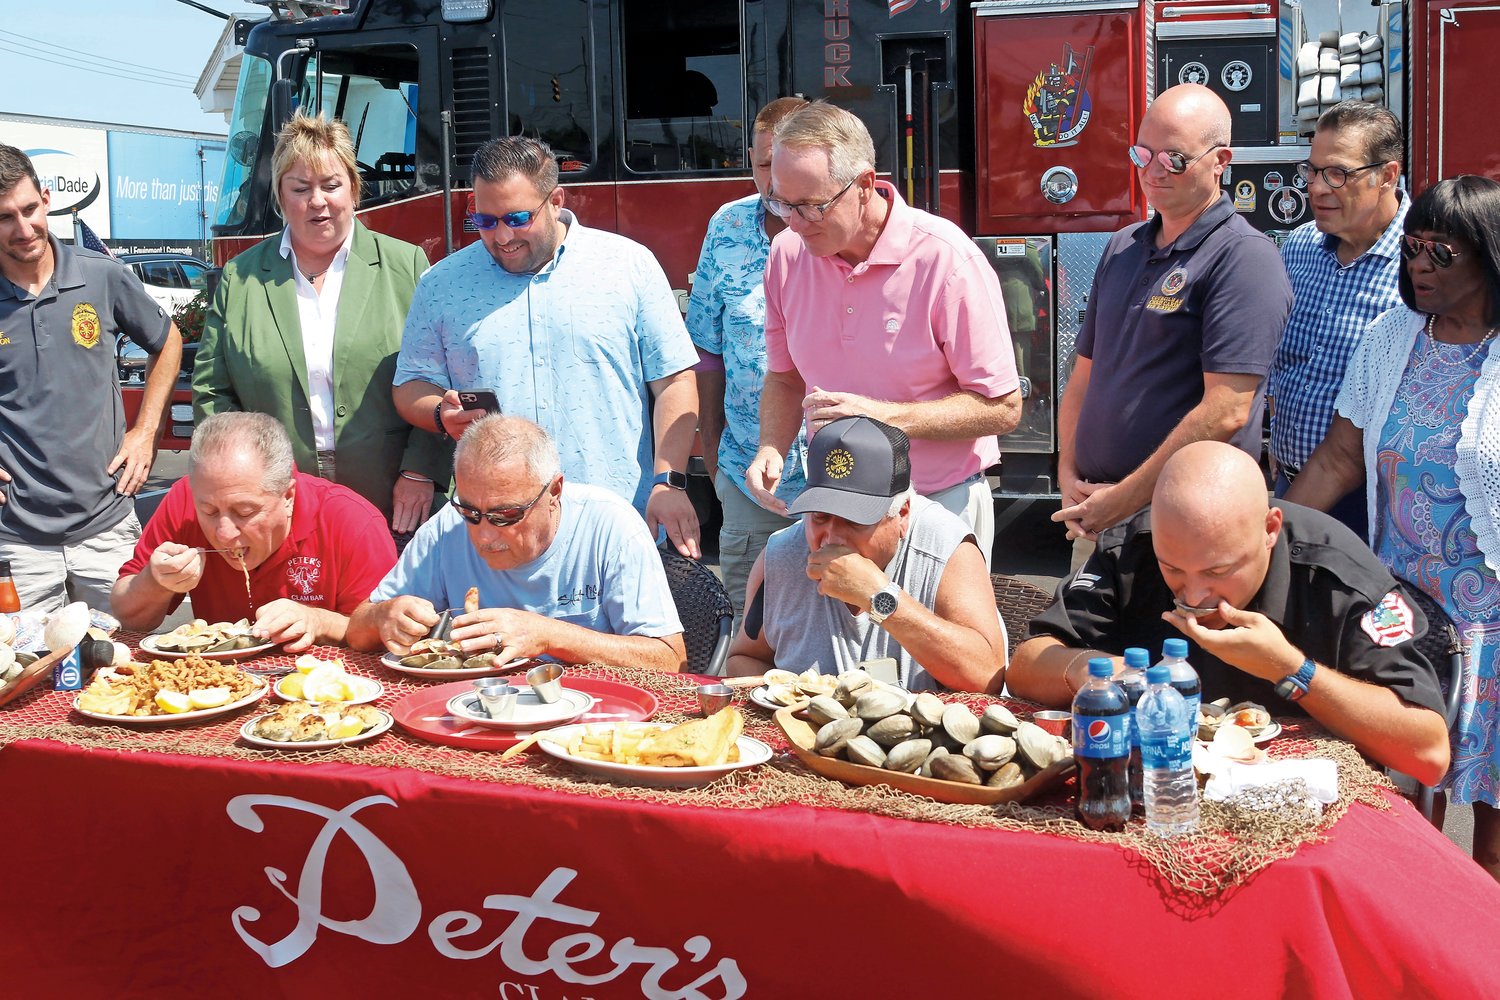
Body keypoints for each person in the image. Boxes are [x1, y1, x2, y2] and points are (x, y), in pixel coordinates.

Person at [1284, 176, 1500, 878]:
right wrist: (1267, 532)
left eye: (1442, 252)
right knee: (1398, 814)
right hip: (1403, 617)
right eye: (1413, 249)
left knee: (1493, 840)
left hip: (1493, 626)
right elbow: (1342, 456)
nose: (1419, 266)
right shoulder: (1392, 338)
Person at [1014, 441, 1449, 784]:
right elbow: (1025, 665)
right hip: (1160, 792)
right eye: (1173, 569)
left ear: (1270, 530)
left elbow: (1428, 754)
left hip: (1308, 807)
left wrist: (1290, 669)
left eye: (1218, 570)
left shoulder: (1336, 576)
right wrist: (1109, 673)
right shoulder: (1133, 548)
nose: (1196, 593)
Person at [391, 136, 703, 558]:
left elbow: (674, 381)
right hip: (497, 530)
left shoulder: (628, 266)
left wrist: (669, 481)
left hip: (616, 527)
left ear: (555, 200)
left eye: (517, 218)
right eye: (484, 220)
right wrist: (438, 413)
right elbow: (410, 385)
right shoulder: (441, 285)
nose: (502, 236)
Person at [745, 100, 1021, 564]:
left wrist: (881, 416)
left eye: (811, 206)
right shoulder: (787, 254)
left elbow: (1003, 407)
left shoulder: (946, 258)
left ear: (865, 185)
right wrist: (770, 446)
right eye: (781, 203)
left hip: (936, 504)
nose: (793, 222)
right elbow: (786, 378)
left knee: (933, 638)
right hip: (832, 504)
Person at [1053, 84, 1291, 561]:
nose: (1153, 170)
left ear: (1221, 160)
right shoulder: (1123, 245)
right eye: (1143, 153)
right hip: (1097, 515)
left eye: (1174, 159)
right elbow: (1085, 373)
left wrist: (1123, 499)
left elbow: (1226, 411)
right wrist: (1067, 472)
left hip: (1185, 527)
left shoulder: (1243, 258)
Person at [193, 112, 448, 543]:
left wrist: (421, 470)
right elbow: (213, 393)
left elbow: (441, 378)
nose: (318, 201)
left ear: (353, 188)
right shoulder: (241, 278)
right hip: (280, 505)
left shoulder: (407, 267)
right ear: (279, 195)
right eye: (300, 188)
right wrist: (239, 485)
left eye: (331, 185)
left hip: (394, 501)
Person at [347, 414, 686, 672]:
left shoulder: (610, 526)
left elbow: (670, 659)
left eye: (505, 515)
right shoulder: (444, 529)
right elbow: (357, 630)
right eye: (470, 511)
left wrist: (549, 636)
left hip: (591, 718)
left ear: (554, 492)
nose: (484, 535)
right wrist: (384, 617)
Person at [0, 143, 183, 613]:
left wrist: (145, 432)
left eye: (28, 209)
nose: (24, 229)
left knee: (126, 665)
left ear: (45, 199)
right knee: (29, 677)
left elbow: (168, 342)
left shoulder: (102, 276)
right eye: (4, 219)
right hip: (16, 541)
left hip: (107, 526)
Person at [727, 416, 1006, 693]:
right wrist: (787, 698)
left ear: (903, 515)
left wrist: (880, 597)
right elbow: (745, 658)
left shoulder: (946, 547)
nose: (832, 537)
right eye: (820, 516)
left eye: (855, 520)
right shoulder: (782, 555)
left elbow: (987, 678)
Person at [112, 412, 397, 652]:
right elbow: (129, 617)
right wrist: (157, 581)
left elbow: (383, 633)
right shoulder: (182, 500)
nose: (224, 533)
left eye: (245, 512)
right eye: (209, 512)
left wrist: (319, 621)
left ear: (288, 497)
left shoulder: (352, 521)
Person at [686, 96, 810, 617]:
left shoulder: (841, 232)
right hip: (747, 474)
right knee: (751, 627)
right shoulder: (728, 226)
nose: (772, 180)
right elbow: (707, 352)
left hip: (844, 480)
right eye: (762, 165)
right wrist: (713, 456)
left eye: (784, 165)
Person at [1267, 101, 1408, 539]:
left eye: (1338, 173)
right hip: (1287, 486)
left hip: (1373, 508)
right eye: (1311, 171)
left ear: (1387, 175)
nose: (1317, 188)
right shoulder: (1299, 248)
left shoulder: (1420, 266)